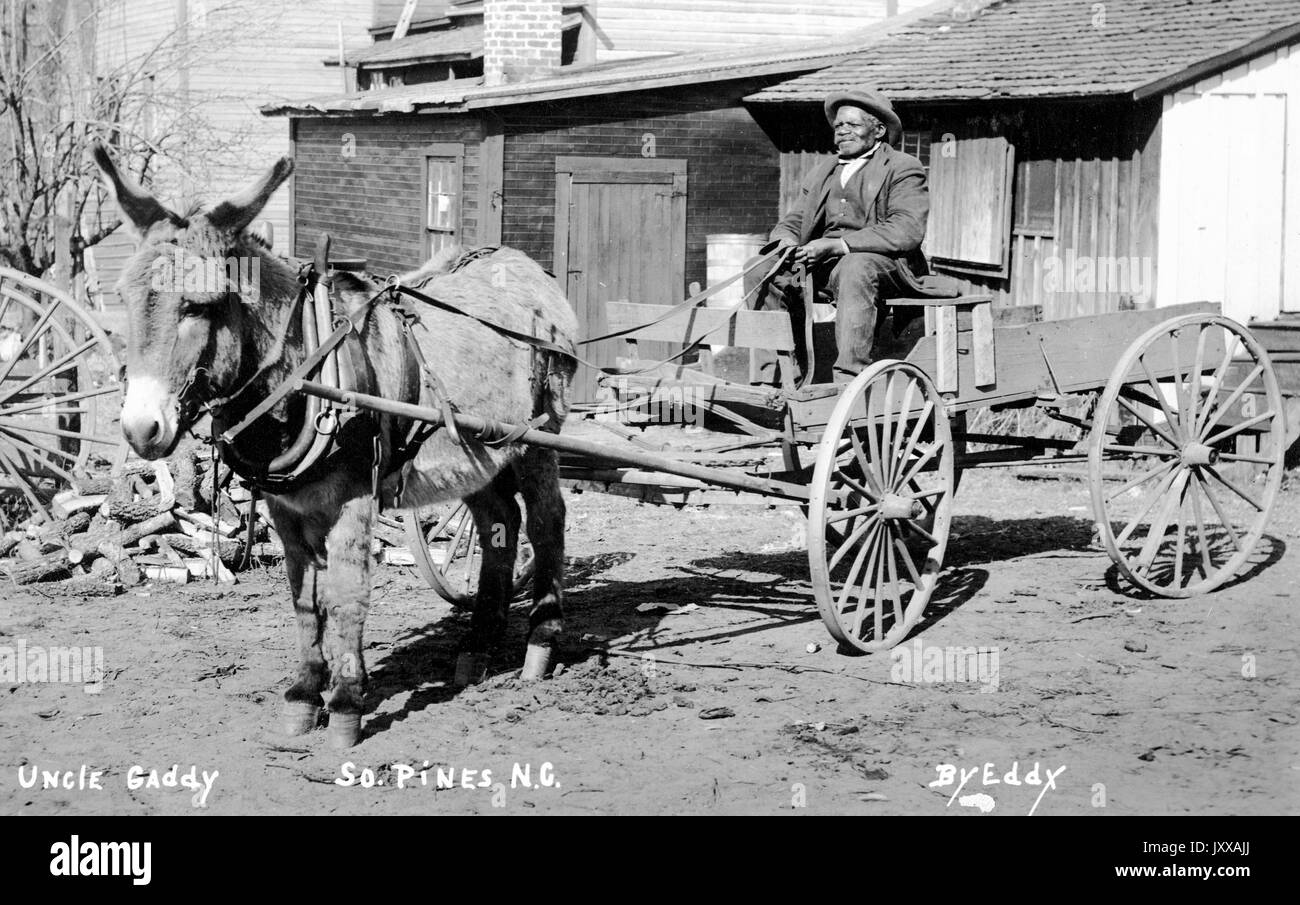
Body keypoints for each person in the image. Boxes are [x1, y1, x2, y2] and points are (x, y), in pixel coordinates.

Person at [746, 87, 933, 385]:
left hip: (888, 266)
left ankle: (849, 378)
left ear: (879, 130)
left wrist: (838, 245)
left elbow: (906, 229)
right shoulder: (824, 170)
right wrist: (786, 242)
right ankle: (776, 374)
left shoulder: (902, 167)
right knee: (759, 268)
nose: (842, 131)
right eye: (838, 126)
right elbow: (794, 221)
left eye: (853, 125)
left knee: (854, 266)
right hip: (826, 267)